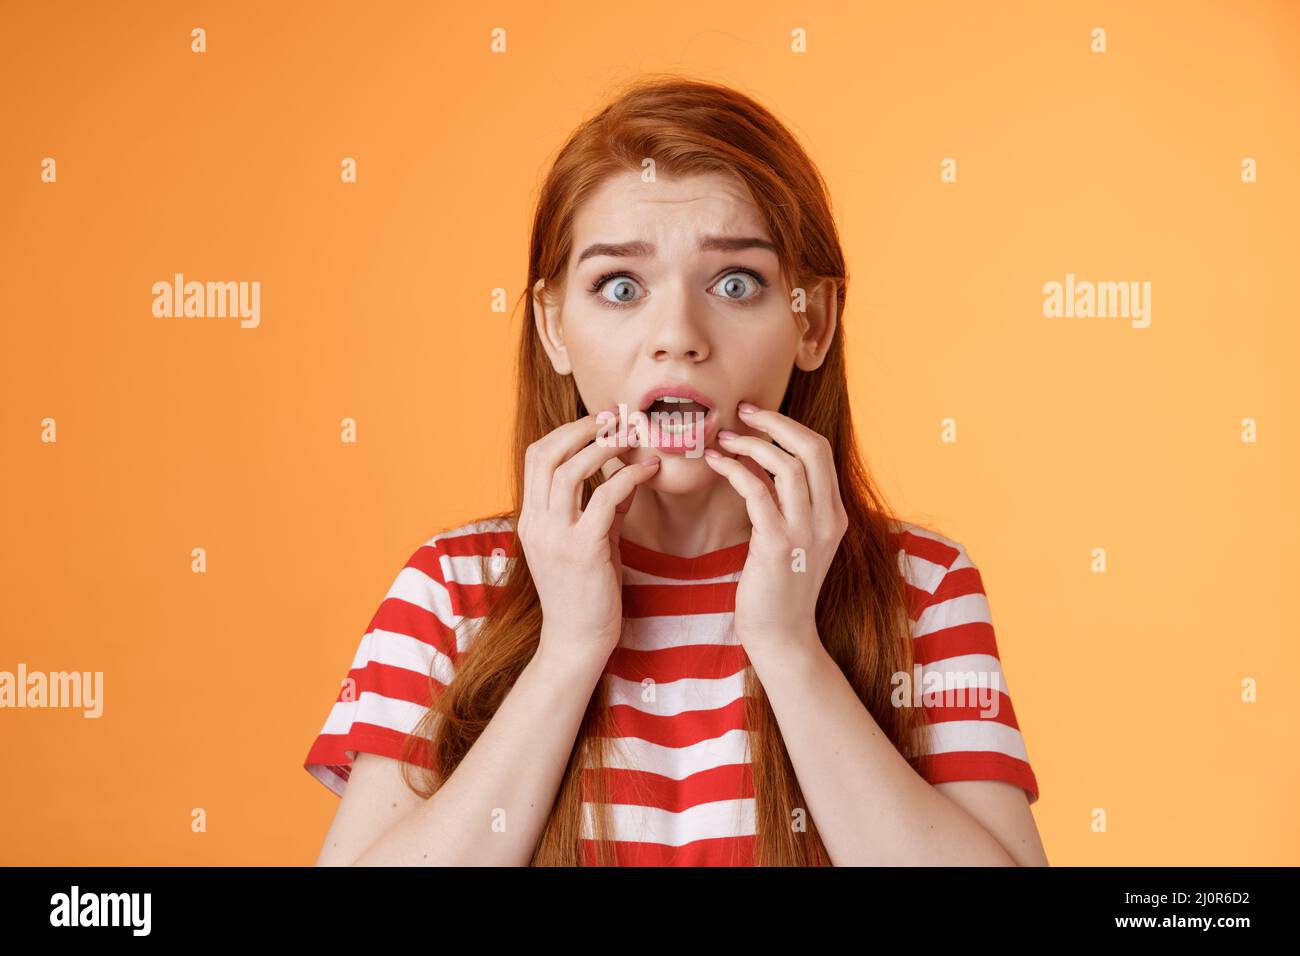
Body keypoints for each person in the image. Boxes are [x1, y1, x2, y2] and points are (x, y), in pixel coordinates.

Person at [304, 74, 1048, 866]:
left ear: (813, 321)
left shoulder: (925, 591)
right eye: (620, 286)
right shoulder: (451, 591)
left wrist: (789, 648)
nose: (678, 336)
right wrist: (567, 650)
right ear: (555, 328)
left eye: (735, 283)